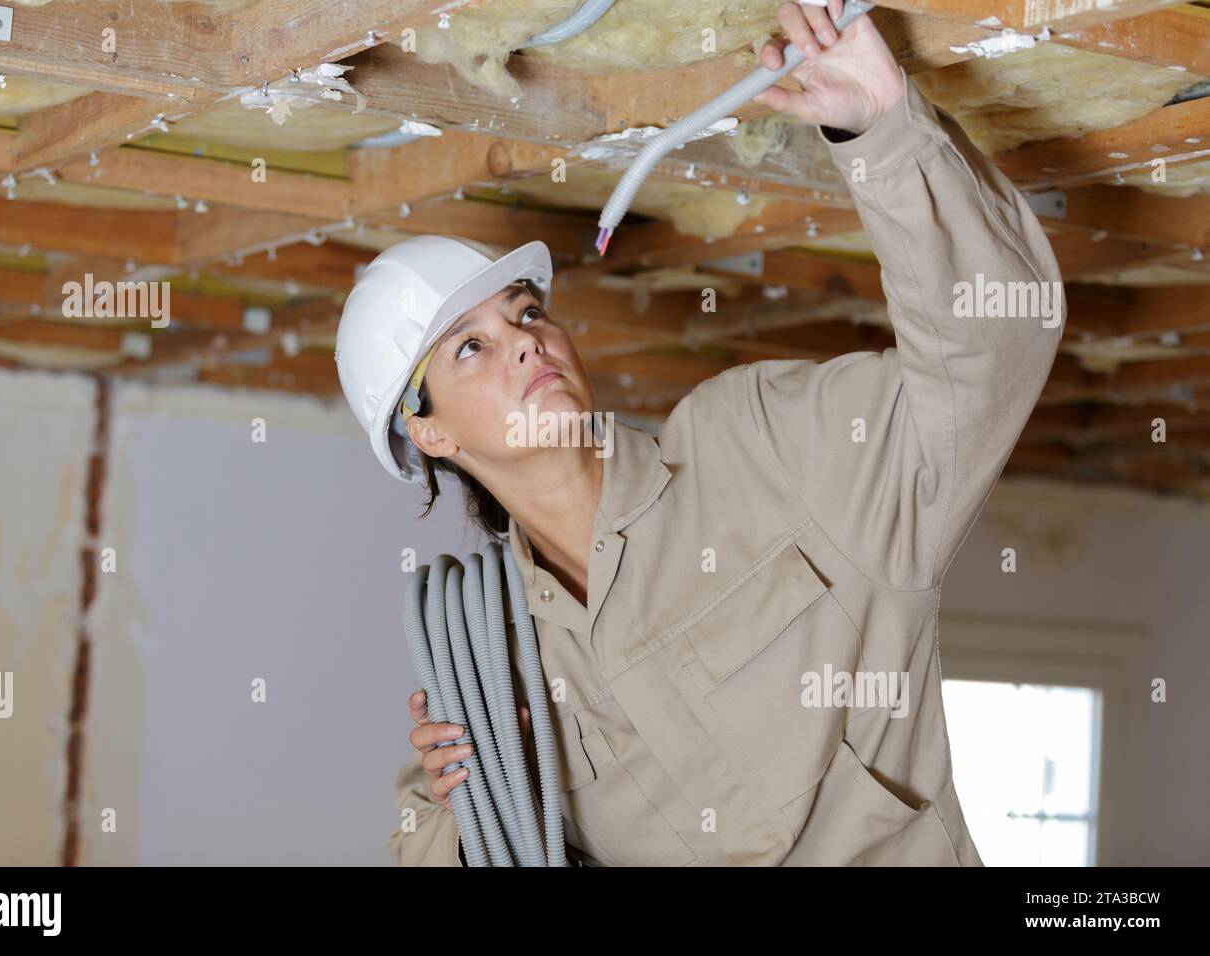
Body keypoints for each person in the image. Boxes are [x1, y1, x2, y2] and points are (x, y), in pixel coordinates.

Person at [335, 0, 1064, 865]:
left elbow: (992, 345)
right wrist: (466, 802)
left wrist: (882, 128)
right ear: (430, 435)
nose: (527, 339)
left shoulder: (758, 447)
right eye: (471, 347)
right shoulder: (498, 662)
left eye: (527, 311)